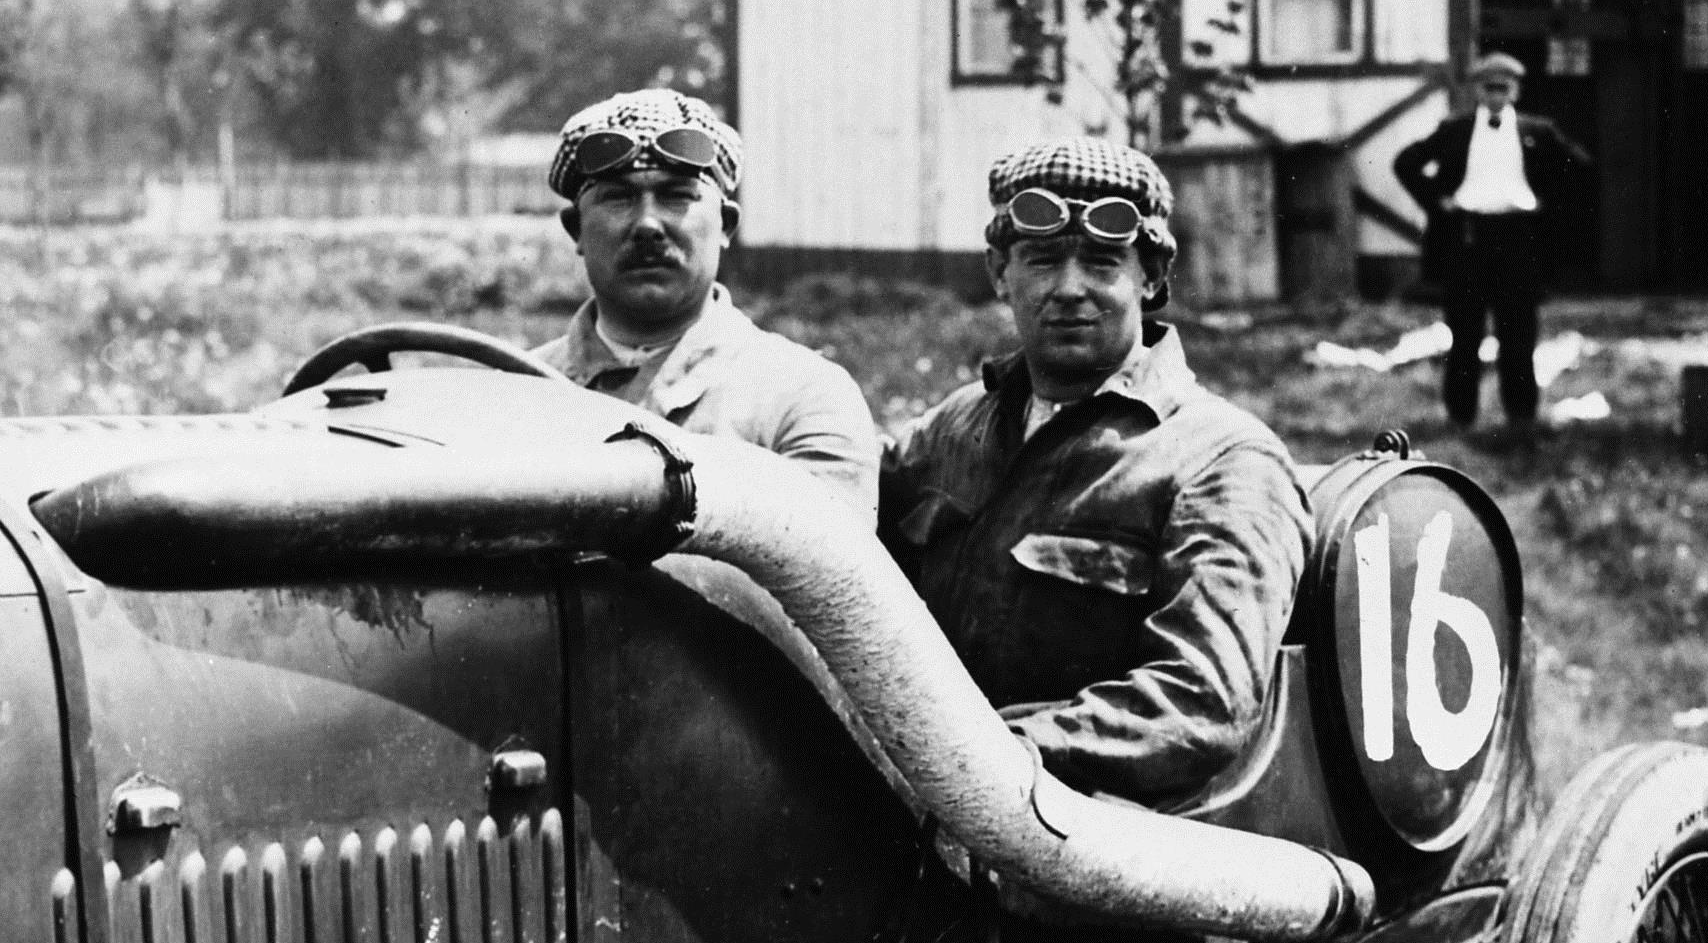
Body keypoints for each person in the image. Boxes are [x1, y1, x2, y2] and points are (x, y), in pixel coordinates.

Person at [879, 136, 1306, 809]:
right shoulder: (952, 430)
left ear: (1150, 278)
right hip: (915, 818)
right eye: (1041, 259)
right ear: (999, 270)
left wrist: (978, 751)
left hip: (1089, 847)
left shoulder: (1222, 461)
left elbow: (1200, 700)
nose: (1068, 288)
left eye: (1103, 263)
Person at [527, 86, 878, 512]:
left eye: (677, 196)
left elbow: (826, 569)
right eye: (617, 197)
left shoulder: (802, 397)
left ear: (726, 225)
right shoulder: (519, 393)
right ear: (575, 229)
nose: (648, 225)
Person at [1391, 50, 1589, 443]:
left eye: (1504, 87)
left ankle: (1521, 418)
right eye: (1488, 88)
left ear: (1515, 91)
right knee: (1465, 334)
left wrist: (1546, 203)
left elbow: (1579, 167)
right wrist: (1438, 200)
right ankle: (1460, 419)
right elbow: (1406, 162)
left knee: (1518, 334)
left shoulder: (1538, 132)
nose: (1496, 95)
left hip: (1519, 239)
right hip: (1468, 239)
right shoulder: (1455, 131)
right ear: (1477, 91)